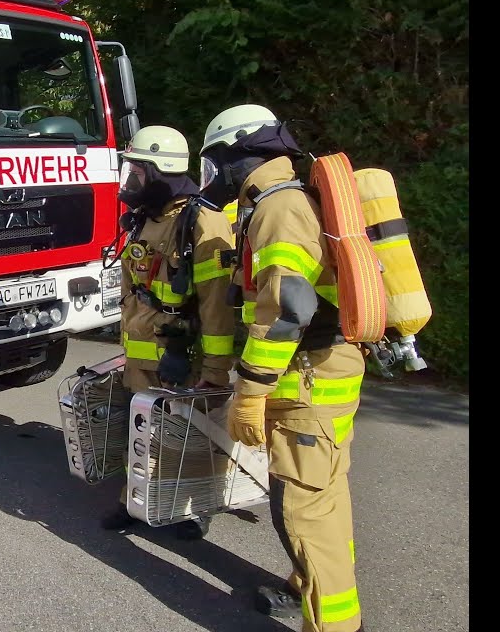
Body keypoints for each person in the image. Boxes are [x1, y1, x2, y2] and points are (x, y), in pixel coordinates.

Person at [198, 104, 365, 632]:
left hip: (307, 379)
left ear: (237, 152)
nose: (213, 175)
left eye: (215, 161)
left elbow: (288, 310)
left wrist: (250, 392)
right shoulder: (281, 200)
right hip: (324, 372)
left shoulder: (278, 208)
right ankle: (306, 585)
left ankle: (336, 625)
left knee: (304, 510)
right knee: (324, 496)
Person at [103, 125, 237, 539]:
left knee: (189, 438)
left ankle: (194, 508)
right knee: (140, 434)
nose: (130, 182)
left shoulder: (203, 223)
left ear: (161, 173)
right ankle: (136, 501)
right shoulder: (148, 218)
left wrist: (213, 370)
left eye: (137, 173)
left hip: (183, 357)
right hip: (142, 357)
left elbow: (217, 305)